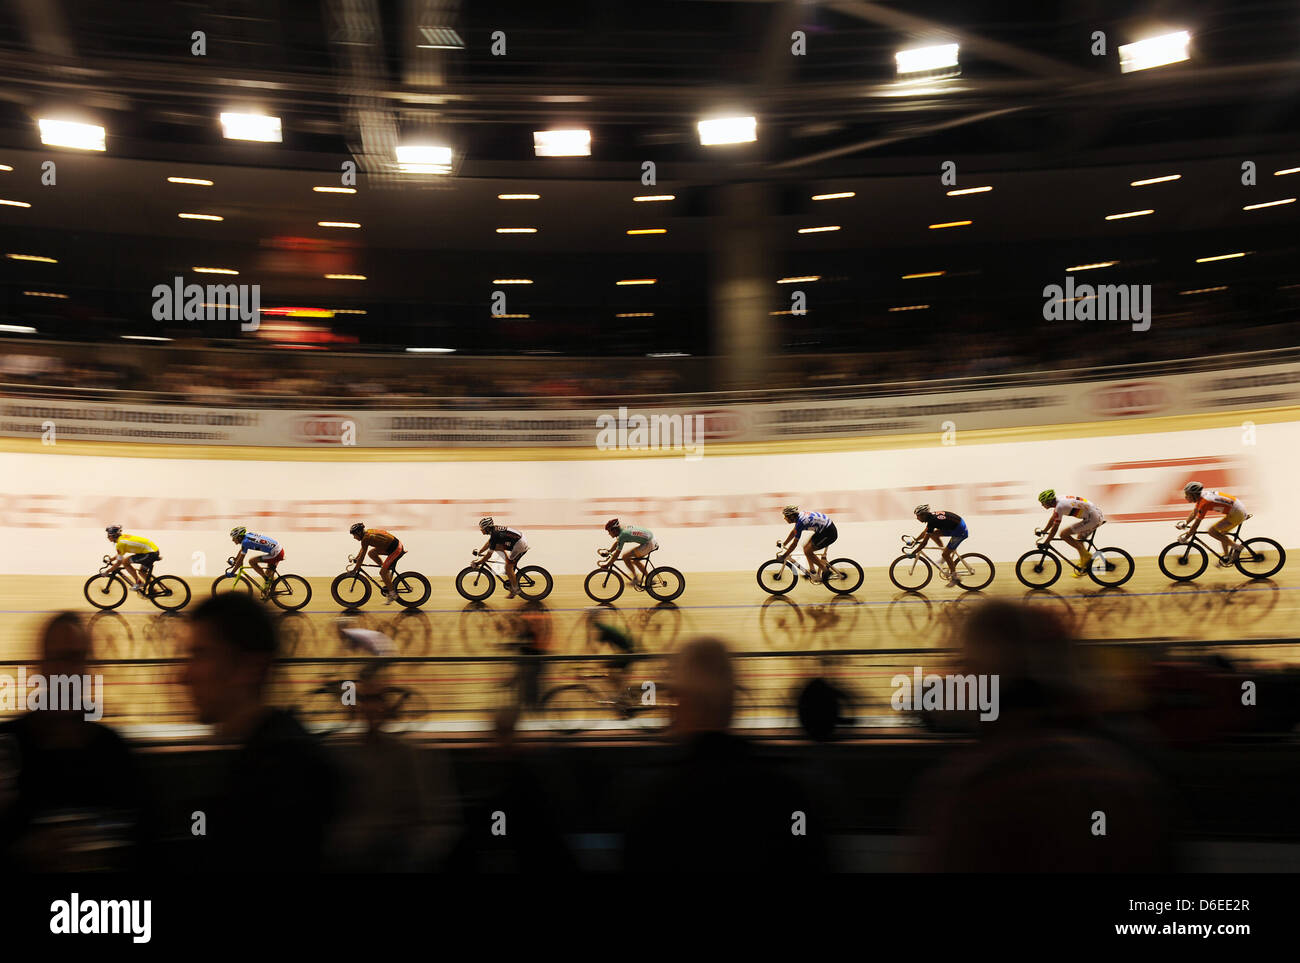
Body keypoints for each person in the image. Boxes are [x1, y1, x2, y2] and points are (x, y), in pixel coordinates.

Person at [180, 593, 340, 871]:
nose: (182, 676)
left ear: (250, 667)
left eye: (201, 654)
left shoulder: (281, 772)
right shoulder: (270, 753)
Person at [1036, 489, 1102, 577]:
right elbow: (1053, 518)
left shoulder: (1060, 506)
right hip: (1094, 515)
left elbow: (1055, 528)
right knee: (1079, 540)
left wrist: (1046, 542)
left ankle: (1086, 556)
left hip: (1093, 518)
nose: (1042, 505)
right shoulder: (1058, 502)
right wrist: (1044, 531)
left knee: (1063, 534)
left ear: (1049, 501)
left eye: (1043, 502)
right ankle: (1084, 564)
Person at [1179, 481, 1246, 566]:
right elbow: (1194, 512)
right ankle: (1227, 557)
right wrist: (1185, 523)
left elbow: (1196, 524)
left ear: (1194, 495)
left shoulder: (1205, 502)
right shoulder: (1201, 497)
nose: (1186, 497)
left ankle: (1237, 547)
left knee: (1212, 531)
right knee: (1221, 534)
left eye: (1187, 494)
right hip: (1235, 511)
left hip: (1237, 513)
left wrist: (1186, 537)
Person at [912, 504, 968, 588]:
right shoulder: (931, 517)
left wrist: (914, 552)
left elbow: (924, 543)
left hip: (959, 531)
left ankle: (955, 578)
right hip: (955, 526)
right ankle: (945, 555)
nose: (917, 518)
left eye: (918, 516)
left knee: (945, 554)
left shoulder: (932, 521)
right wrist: (916, 540)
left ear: (924, 514)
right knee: (932, 535)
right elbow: (926, 532)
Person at [349, 522, 405, 603]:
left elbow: (362, 557)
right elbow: (363, 549)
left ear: (359, 533)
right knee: (371, 553)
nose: (354, 537)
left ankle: (393, 594)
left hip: (396, 550)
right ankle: (387, 572)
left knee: (382, 573)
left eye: (354, 535)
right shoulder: (367, 534)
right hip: (394, 545)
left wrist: (355, 569)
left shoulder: (366, 539)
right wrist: (357, 558)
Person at [779, 505, 836, 583]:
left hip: (828, 533)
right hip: (823, 530)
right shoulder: (799, 518)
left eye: (786, 516)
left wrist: (784, 555)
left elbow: (794, 544)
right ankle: (812, 571)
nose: (785, 518)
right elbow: (794, 532)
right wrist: (784, 544)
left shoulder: (800, 522)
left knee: (808, 551)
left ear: (792, 516)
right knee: (805, 547)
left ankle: (826, 571)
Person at [474, 516, 529, 598]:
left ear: (487, 528)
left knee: (508, 568)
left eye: (482, 528)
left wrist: (478, 562)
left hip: (519, 544)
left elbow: (489, 555)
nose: (481, 530)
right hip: (519, 540)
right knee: (497, 547)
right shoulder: (494, 532)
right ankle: (509, 565)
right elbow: (490, 543)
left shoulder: (495, 534)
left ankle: (515, 590)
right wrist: (480, 552)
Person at [103, 524, 159, 595]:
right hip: (152, 551)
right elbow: (120, 553)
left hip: (149, 553)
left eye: (109, 535)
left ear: (114, 536)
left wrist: (107, 571)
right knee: (142, 572)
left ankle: (138, 582)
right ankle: (152, 589)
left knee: (125, 562)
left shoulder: (120, 544)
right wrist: (112, 559)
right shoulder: (123, 539)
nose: (107, 537)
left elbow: (119, 563)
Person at [603, 518, 657, 589]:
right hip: (650, 540)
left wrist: (608, 564)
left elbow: (617, 554)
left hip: (648, 544)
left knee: (625, 557)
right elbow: (617, 543)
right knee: (635, 561)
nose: (609, 534)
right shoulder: (622, 530)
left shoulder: (623, 535)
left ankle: (636, 579)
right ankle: (649, 579)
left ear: (614, 530)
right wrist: (609, 551)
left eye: (609, 531)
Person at [228, 526, 284, 592]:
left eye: (234, 538)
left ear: (239, 537)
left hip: (276, 553)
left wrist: (232, 572)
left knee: (252, 561)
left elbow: (240, 561)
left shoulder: (245, 542)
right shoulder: (247, 536)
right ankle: (271, 591)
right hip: (277, 550)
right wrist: (236, 559)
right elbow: (242, 550)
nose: (233, 540)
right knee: (268, 573)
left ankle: (268, 581)